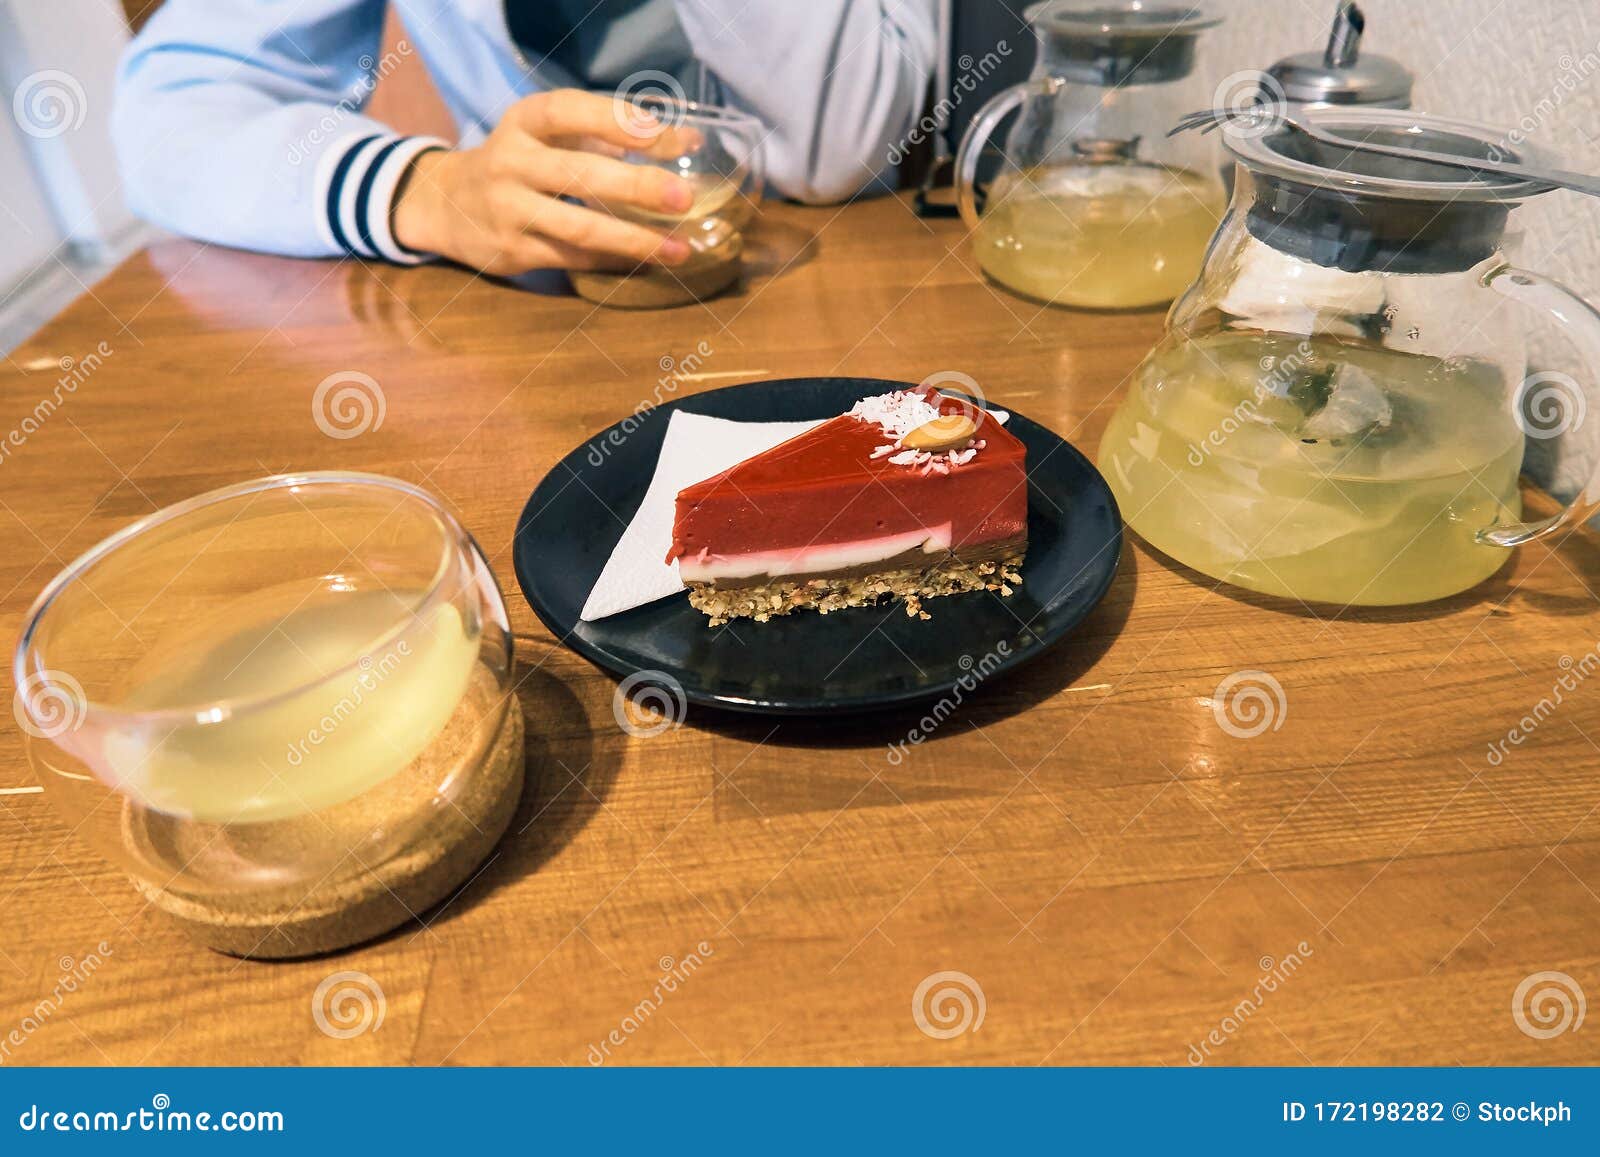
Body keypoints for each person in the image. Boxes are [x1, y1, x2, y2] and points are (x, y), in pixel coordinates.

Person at [112, 1, 938, 275]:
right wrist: (419, 191)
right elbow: (169, 107)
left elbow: (843, 140)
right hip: (546, 300)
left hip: (868, 260)